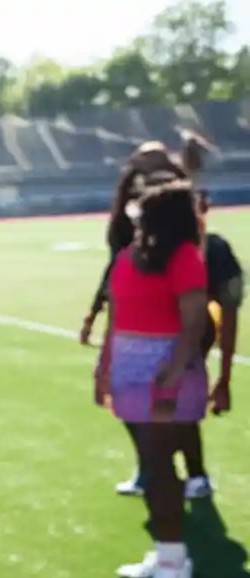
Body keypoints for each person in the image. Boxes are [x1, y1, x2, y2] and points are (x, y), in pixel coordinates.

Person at [81, 139, 238, 500]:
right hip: (142, 340)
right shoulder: (137, 248)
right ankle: (153, 469)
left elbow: (227, 312)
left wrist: (224, 377)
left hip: (183, 336)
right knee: (139, 409)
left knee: (177, 409)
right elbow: (115, 272)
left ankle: (192, 474)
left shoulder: (206, 251)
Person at [95, 177, 208, 578]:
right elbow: (117, 316)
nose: (134, 217)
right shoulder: (129, 257)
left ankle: (171, 561)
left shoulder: (183, 258)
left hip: (165, 369)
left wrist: (173, 374)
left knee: (160, 466)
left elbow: (194, 319)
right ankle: (170, 554)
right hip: (129, 365)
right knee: (150, 462)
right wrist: (104, 367)